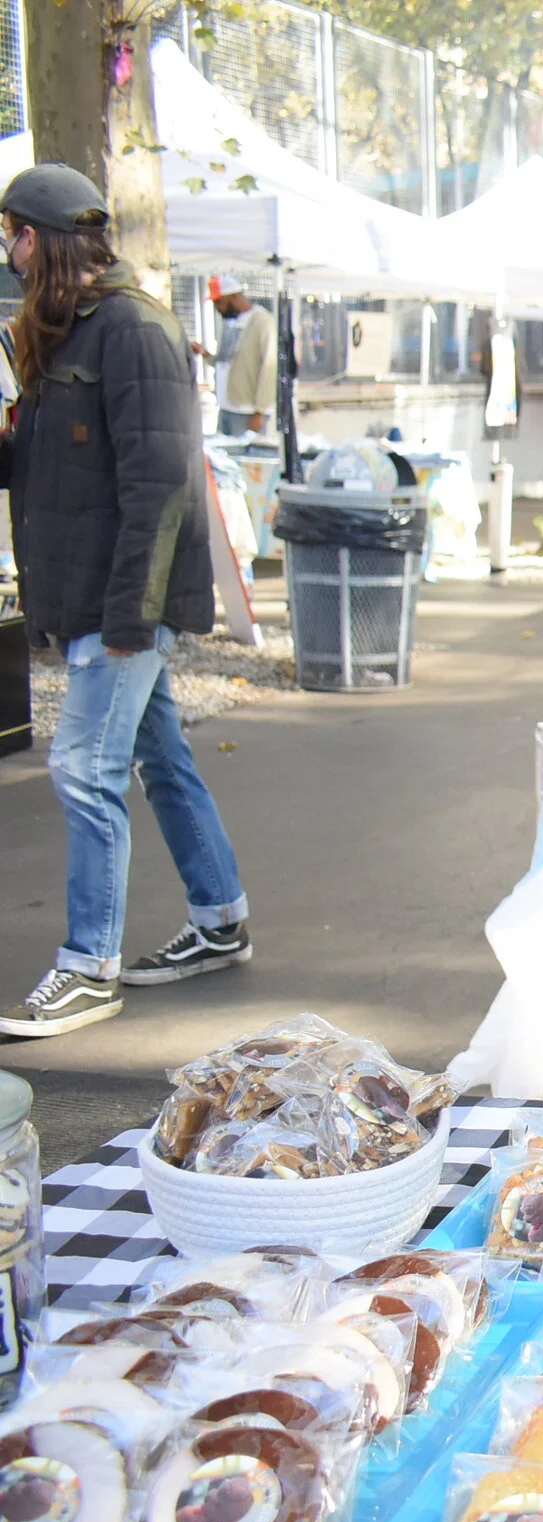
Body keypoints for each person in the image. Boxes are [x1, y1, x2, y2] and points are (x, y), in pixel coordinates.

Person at [0, 165, 250, 1038]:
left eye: (11, 234)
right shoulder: (68, 330)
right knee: (160, 756)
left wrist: (128, 619)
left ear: (36, 238)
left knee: (83, 767)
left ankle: (88, 968)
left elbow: (161, 486)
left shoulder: (134, 329)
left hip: (122, 603)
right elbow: (46, 467)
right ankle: (220, 918)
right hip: (96, 596)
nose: (7, 251)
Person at [203, 276, 276, 437]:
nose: (217, 308)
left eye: (219, 302)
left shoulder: (263, 322)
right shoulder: (230, 322)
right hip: (225, 406)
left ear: (234, 297)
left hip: (247, 411)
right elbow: (225, 362)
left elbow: (270, 368)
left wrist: (260, 411)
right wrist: (205, 354)